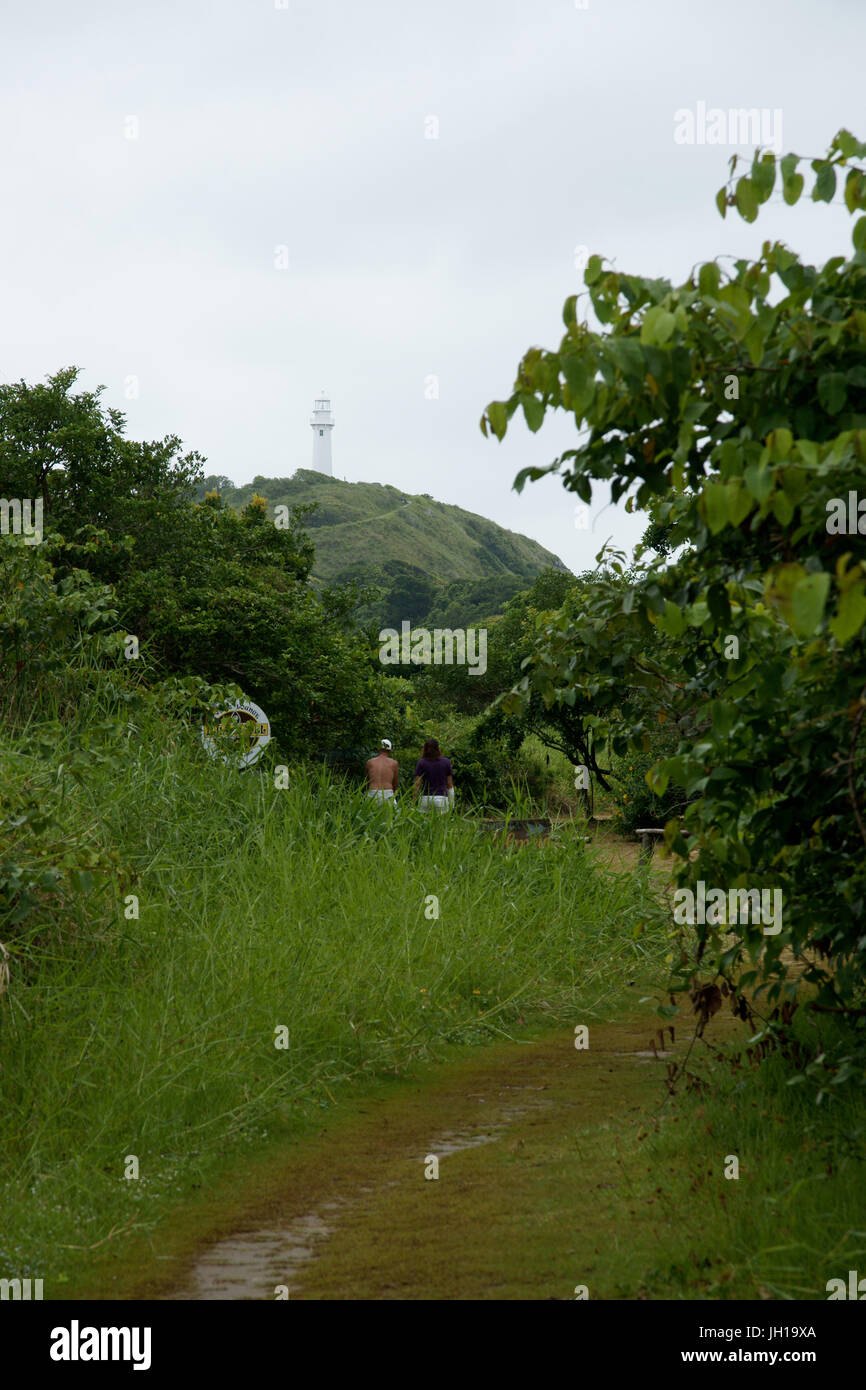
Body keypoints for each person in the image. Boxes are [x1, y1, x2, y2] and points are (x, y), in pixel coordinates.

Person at [413, 737, 454, 813]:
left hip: (425, 799)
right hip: (441, 799)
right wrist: (451, 803)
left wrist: (414, 800)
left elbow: (417, 784)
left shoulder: (421, 763)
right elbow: (449, 784)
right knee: (441, 824)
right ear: (438, 748)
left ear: (425, 749)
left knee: (424, 824)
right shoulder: (446, 762)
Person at [366, 738, 399, 805]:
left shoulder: (370, 762)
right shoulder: (394, 763)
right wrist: (395, 793)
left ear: (379, 749)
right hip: (387, 794)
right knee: (392, 815)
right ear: (390, 751)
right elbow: (395, 783)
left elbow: (367, 781)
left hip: (372, 793)